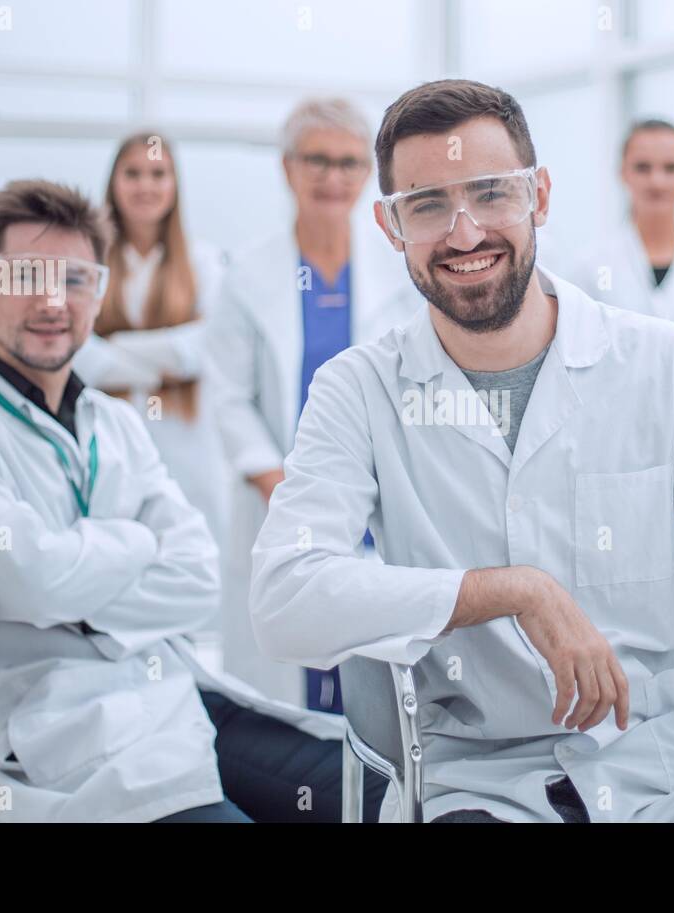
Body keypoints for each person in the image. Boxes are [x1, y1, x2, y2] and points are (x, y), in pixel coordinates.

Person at [250, 79, 674, 823]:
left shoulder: (664, 364)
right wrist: (512, 589)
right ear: (391, 225)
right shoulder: (358, 389)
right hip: (483, 789)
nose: (465, 232)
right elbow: (285, 597)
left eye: (490, 192)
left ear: (540, 194)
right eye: (428, 204)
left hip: (673, 781)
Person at [0, 180, 385, 822]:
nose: (51, 300)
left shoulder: (112, 421)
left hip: (174, 699)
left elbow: (197, 579)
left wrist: (80, 586)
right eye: (25, 276)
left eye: (74, 278)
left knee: (378, 796)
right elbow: (39, 584)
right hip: (60, 735)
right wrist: (138, 543)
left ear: (97, 293)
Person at [208, 98, 418, 711]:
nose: (333, 177)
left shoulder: (398, 267)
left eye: (350, 163)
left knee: (375, 681)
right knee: (290, 692)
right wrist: (279, 484)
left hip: (380, 498)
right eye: (317, 160)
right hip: (279, 500)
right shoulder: (247, 273)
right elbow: (227, 397)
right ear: (288, 168)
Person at [73, 131, 229, 551]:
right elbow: (77, 353)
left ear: (174, 185)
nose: (146, 186)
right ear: (114, 183)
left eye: (158, 174)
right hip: (104, 438)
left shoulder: (203, 261)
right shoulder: (87, 262)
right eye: (133, 173)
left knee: (189, 557)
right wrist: (165, 358)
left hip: (186, 442)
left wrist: (116, 346)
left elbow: (205, 348)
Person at [571, 119, 674, 329]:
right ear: (623, 172)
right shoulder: (591, 267)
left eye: (670, 168)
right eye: (643, 168)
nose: (657, 182)